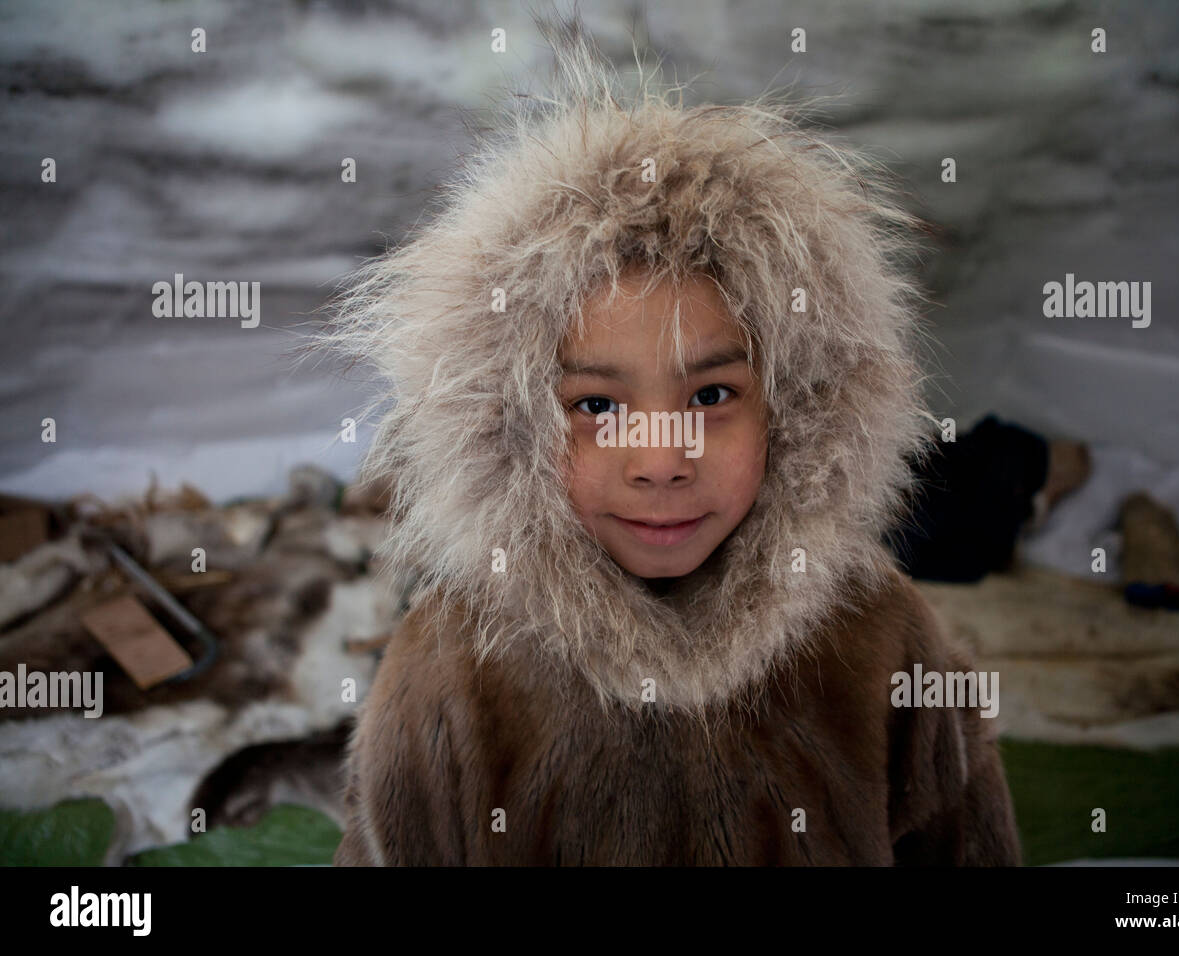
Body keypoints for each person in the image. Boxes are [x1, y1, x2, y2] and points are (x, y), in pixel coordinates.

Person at [328, 16, 1020, 865]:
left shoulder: (884, 639)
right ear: (505, 428)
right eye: (595, 407)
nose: (660, 461)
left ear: (799, 411)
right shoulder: (446, 671)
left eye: (714, 394)